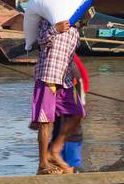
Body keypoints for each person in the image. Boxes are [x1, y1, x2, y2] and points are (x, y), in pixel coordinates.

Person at [30, 14, 85, 175]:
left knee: (78, 114)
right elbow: (40, 41)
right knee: (45, 121)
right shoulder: (49, 20)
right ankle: (42, 164)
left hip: (64, 79)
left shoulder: (74, 30)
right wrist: (55, 29)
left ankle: (54, 150)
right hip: (47, 76)